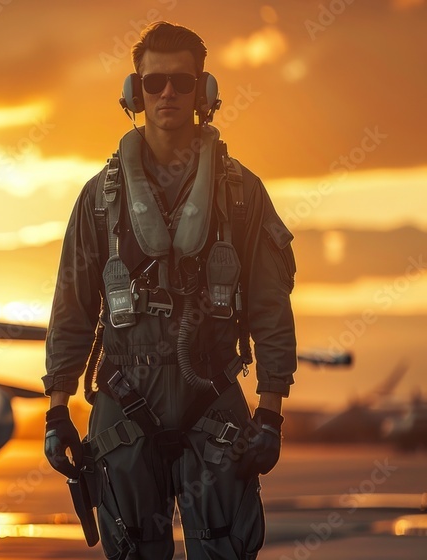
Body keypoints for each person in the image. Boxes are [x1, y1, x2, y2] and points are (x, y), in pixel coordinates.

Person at [42, 21, 297, 560]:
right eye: (154, 83)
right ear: (135, 92)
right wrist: (57, 410)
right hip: (123, 398)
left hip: (214, 395)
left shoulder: (242, 196)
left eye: (182, 82)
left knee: (224, 548)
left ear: (204, 91)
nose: (167, 94)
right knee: (133, 550)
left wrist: (271, 414)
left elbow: (271, 306)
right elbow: (72, 307)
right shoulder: (98, 201)